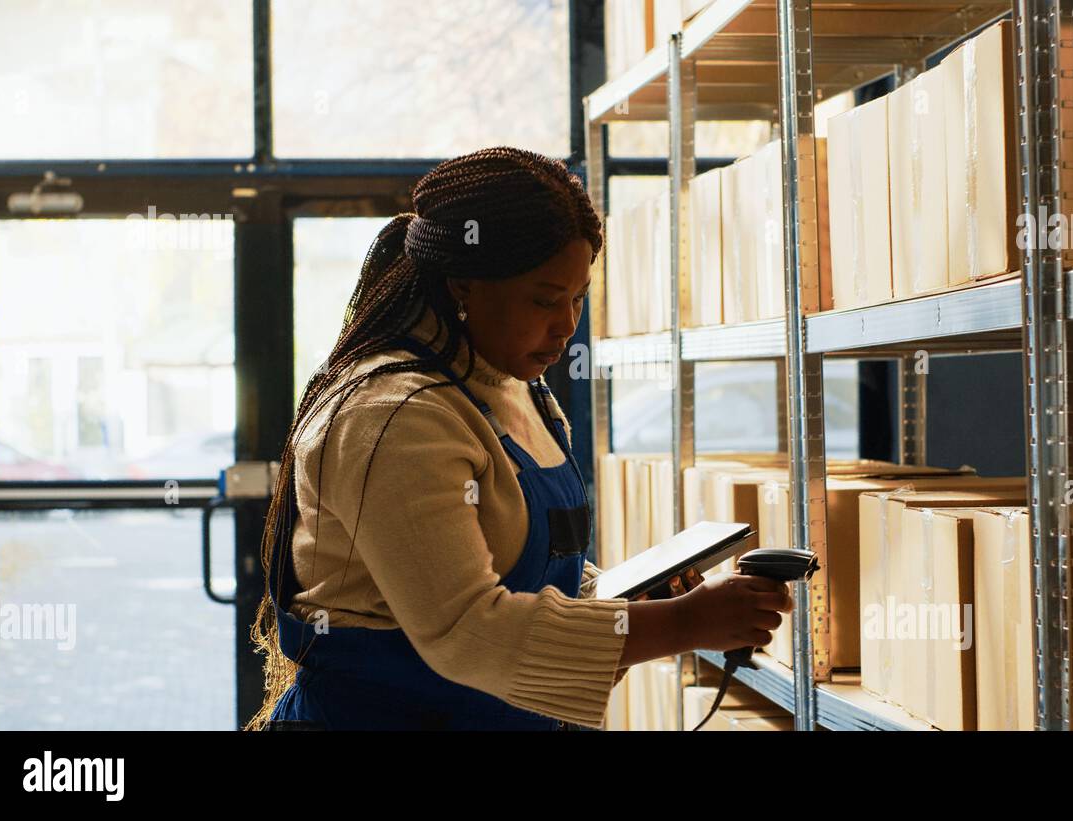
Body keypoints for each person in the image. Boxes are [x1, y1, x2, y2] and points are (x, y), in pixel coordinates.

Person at [247, 147, 792, 731]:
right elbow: (467, 627)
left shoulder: (515, 388)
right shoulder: (394, 416)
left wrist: (631, 598)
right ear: (465, 286)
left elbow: (521, 569)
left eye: (579, 297)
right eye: (544, 299)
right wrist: (682, 625)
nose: (567, 326)